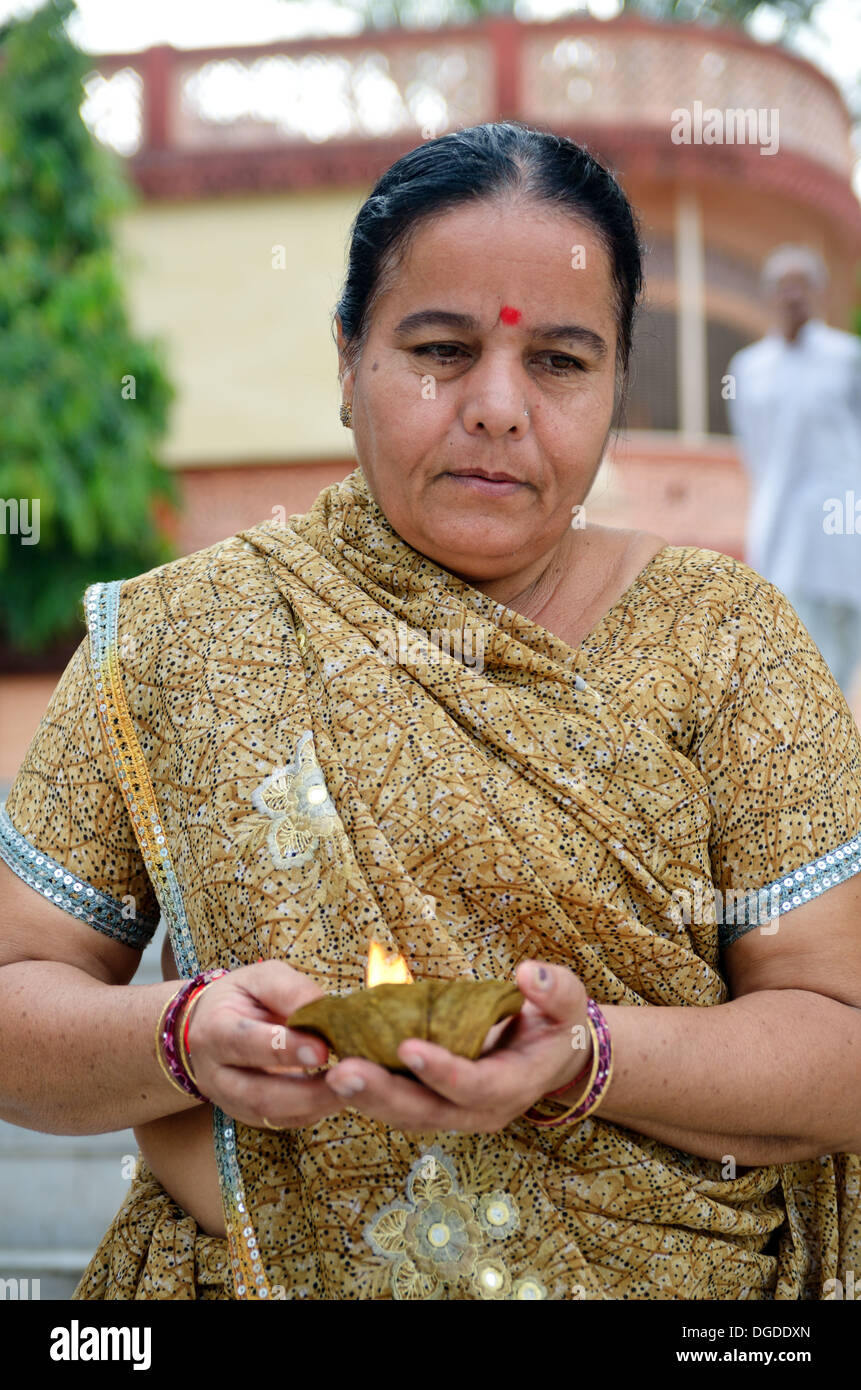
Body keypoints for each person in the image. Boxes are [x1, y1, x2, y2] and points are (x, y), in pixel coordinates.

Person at [1, 122, 860, 1303]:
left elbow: (842, 1040)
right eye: (441, 349)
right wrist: (184, 1033)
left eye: (560, 361)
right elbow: (16, 992)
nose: (498, 407)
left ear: (619, 378)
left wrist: (583, 1052)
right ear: (347, 360)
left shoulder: (727, 643)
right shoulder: (181, 637)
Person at [727, 245, 861, 701]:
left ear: (819, 292)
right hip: (783, 524)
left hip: (847, 521)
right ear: (769, 295)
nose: (793, 296)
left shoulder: (848, 358)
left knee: (844, 644)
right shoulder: (749, 368)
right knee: (793, 641)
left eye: (802, 284)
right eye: (783, 286)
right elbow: (751, 446)